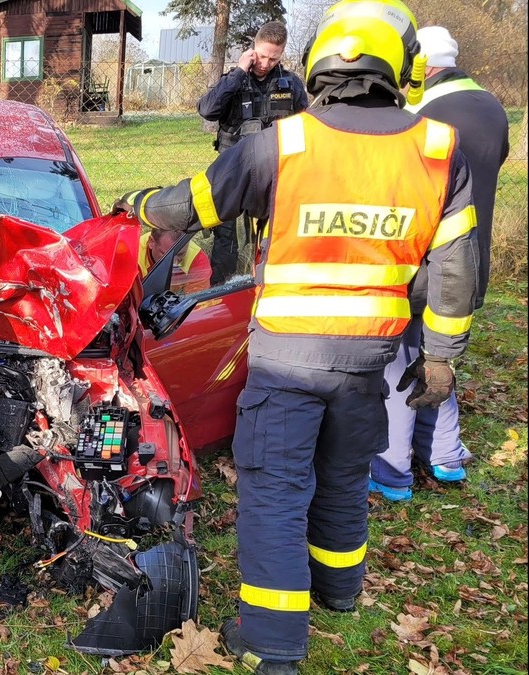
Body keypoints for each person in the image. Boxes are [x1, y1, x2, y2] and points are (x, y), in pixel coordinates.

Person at [112, 0, 479, 670]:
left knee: (275, 488)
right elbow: (458, 270)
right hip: (366, 360)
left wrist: (138, 204)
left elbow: (186, 206)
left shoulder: (285, 143)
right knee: (341, 474)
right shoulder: (436, 149)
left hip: (287, 361)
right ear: (399, 65)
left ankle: (272, 638)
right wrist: (441, 359)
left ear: (322, 62)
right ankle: (339, 590)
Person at [369, 24, 511, 501]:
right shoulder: (492, 106)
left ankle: (391, 471)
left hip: (425, 266)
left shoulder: (423, 114)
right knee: (441, 360)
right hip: (472, 261)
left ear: (421, 67)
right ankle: (446, 457)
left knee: (402, 363)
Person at [197, 20, 309, 286]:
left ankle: (266, 285)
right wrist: (238, 72)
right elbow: (207, 110)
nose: (265, 63)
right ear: (252, 49)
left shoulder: (291, 85)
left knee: (274, 237)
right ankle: (222, 292)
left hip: (275, 174)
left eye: (274, 57)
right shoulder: (233, 80)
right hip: (232, 173)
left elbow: (306, 125)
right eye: (261, 55)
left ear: (281, 54)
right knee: (226, 238)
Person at [138, 227, 212, 293]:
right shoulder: (133, 256)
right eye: (167, 255)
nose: (174, 264)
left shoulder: (197, 259)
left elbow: (197, 303)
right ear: (151, 242)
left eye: (181, 254)